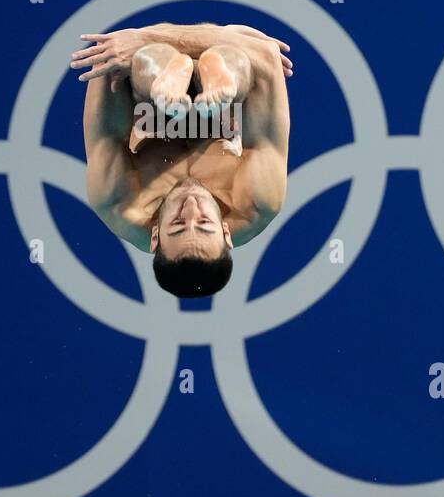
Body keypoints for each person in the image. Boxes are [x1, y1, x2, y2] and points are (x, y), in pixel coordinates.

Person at [70, 23, 293, 298]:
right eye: (204, 224)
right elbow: (267, 59)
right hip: (224, 81)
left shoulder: (117, 201)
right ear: (226, 233)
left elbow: (107, 63)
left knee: (149, 61)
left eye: (176, 225)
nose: (190, 208)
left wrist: (143, 41)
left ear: (155, 237)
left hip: (152, 87)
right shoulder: (257, 202)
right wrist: (231, 40)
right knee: (235, 62)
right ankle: (216, 73)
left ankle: (168, 77)